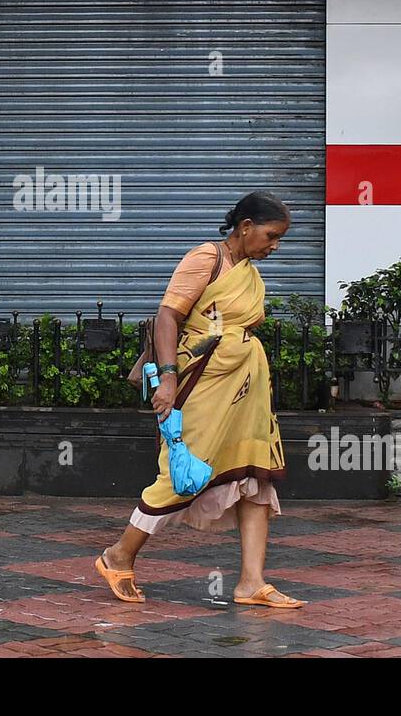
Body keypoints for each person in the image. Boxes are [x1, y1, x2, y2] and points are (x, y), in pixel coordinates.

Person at [95, 190, 306, 609]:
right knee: (181, 473)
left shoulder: (247, 268)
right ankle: (118, 556)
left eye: (280, 238)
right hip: (204, 386)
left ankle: (251, 583)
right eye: (271, 235)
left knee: (254, 478)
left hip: (245, 392)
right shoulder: (205, 258)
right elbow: (167, 316)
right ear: (245, 228)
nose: (275, 245)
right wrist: (168, 381)